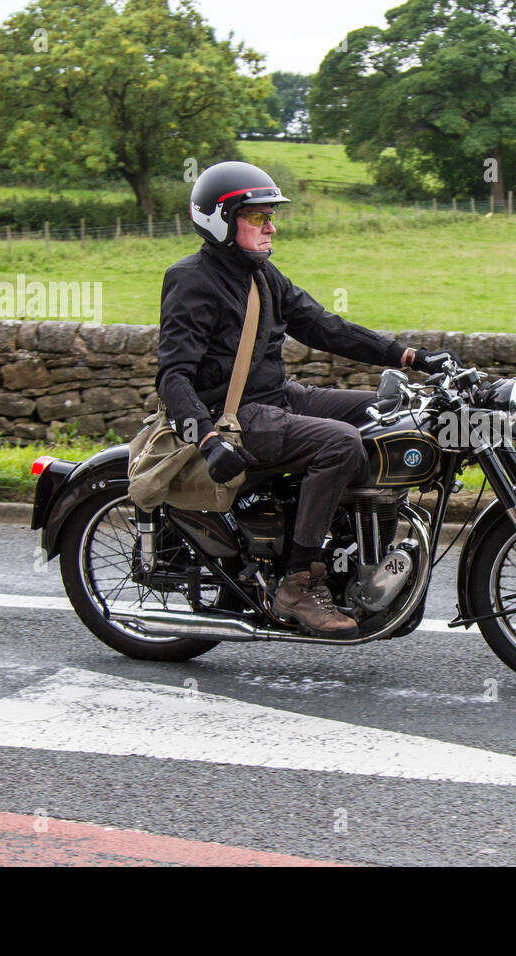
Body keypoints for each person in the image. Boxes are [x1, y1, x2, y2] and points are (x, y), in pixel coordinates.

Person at [156, 161, 457, 640]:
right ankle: (297, 580)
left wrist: (411, 356)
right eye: (258, 216)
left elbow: (323, 326)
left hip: (278, 398)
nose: (271, 226)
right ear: (219, 218)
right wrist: (207, 438)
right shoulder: (193, 279)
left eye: (271, 215)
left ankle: (349, 536)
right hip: (234, 416)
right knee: (339, 443)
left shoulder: (262, 275)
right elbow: (173, 377)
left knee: (390, 414)